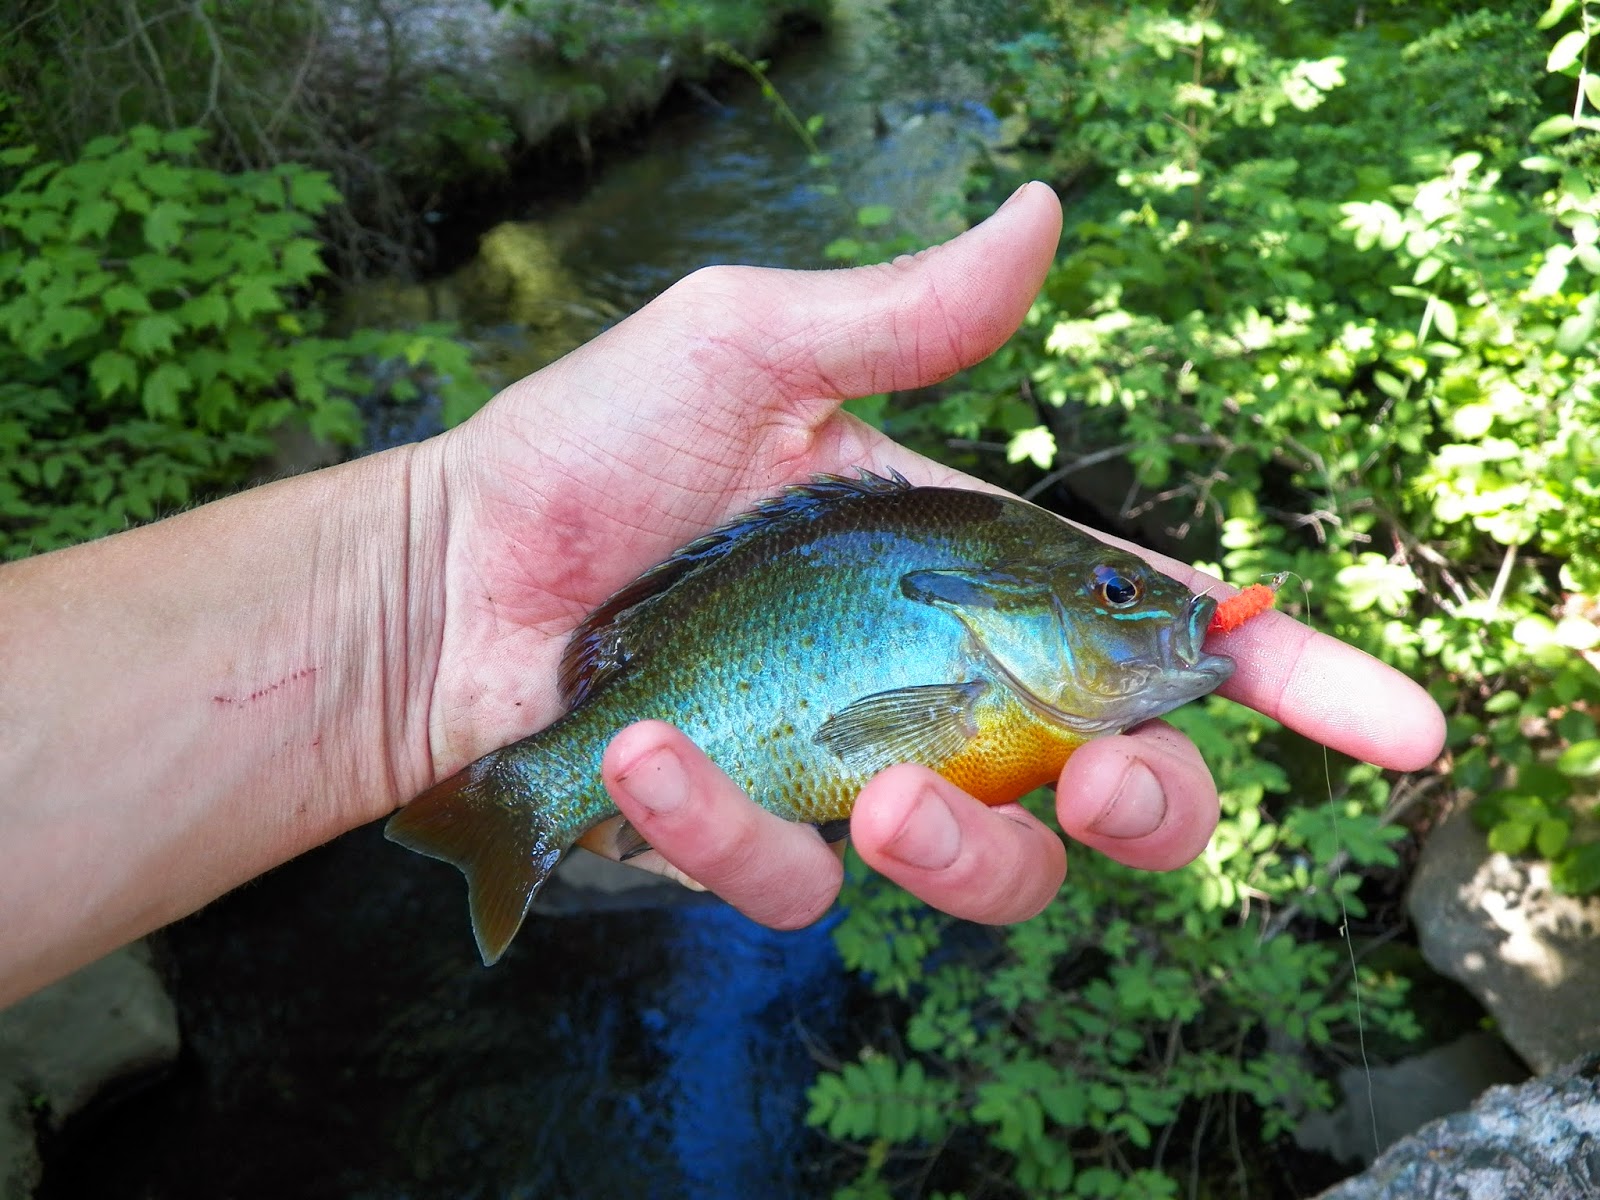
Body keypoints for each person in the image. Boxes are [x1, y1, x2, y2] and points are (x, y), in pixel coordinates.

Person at [0, 183, 1444, 1009]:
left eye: (1129, 590)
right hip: (640, 700)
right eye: (1118, 591)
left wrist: (410, 604)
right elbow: (879, 731)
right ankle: (515, 808)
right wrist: (431, 595)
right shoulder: (987, 647)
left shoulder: (1018, 655)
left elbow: (882, 739)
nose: (1155, 609)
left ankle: (518, 804)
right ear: (1008, 607)